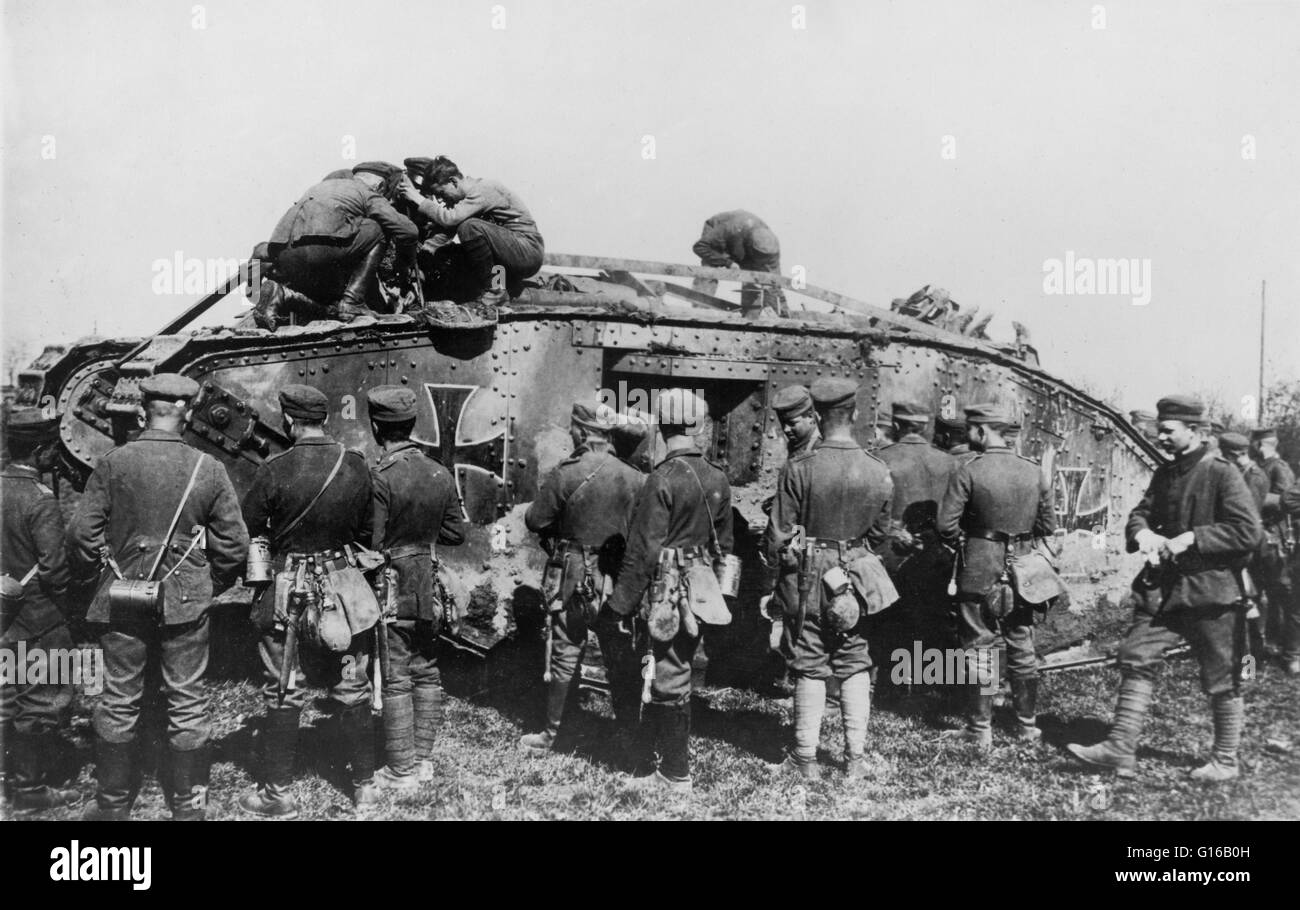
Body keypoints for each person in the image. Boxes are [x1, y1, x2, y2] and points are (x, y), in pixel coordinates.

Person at [67, 374, 249, 820]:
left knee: (118, 698)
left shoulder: (112, 463)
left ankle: (111, 805)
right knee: (188, 699)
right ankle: (187, 805)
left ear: (144, 411)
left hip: (123, 595)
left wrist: (105, 578)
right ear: (186, 414)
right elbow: (234, 547)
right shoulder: (208, 468)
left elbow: (81, 537)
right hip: (185, 601)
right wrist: (206, 587)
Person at [1066, 396, 1261, 781]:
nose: (1161, 437)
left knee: (1223, 674)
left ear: (1196, 431)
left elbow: (1248, 531)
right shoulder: (1167, 472)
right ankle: (1120, 749)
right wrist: (1142, 534)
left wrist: (1194, 537)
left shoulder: (1221, 473)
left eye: (1169, 431)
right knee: (1136, 654)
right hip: (1163, 590)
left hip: (1211, 593)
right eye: (1161, 430)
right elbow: (1141, 512)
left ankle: (1225, 760)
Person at [238, 385, 377, 817]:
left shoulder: (275, 467)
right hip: (342, 587)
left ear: (288, 421)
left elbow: (251, 525)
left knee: (285, 687)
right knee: (353, 686)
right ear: (326, 420)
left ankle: (277, 794)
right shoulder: (354, 464)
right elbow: (367, 529)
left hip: (287, 589)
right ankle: (366, 787)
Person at [761, 378, 893, 779]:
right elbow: (881, 537)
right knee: (855, 660)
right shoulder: (878, 469)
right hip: (855, 570)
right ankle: (855, 762)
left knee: (809, 661)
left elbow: (777, 538)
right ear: (854, 415)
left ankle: (805, 760)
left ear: (817, 416)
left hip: (808, 573)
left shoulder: (800, 469)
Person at [607, 389, 733, 793]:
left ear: (661, 426)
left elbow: (643, 550)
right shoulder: (717, 477)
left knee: (668, 674)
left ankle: (675, 773)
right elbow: (727, 548)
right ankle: (668, 763)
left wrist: (619, 605)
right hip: (703, 590)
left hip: (667, 592)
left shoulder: (660, 478)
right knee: (678, 667)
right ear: (696, 425)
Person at [519, 402, 645, 763]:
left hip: (570, 574)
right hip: (616, 575)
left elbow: (535, 520)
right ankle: (628, 735)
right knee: (621, 655)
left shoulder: (566, 472)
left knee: (564, 650)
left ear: (579, 430)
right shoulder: (635, 477)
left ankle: (555, 734)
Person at [936, 403, 1059, 749]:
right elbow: (1047, 526)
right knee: (1022, 642)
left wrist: (965, 541)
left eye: (972, 428)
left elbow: (945, 526)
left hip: (979, 563)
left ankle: (980, 729)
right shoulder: (1033, 472)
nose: (970, 434)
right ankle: (1026, 727)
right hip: (1023, 567)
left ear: (981, 431)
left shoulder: (969, 470)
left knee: (979, 645)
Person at [364, 386, 466, 790]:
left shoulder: (381, 476)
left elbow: (372, 541)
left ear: (376, 427)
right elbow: (455, 533)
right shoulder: (439, 472)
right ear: (411, 425)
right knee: (426, 668)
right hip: (429, 577)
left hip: (393, 579)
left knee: (396, 674)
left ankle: (400, 769)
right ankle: (422, 760)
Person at [1, 410, 78, 813]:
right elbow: (54, 569)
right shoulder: (40, 500)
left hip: (3, 617)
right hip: (37, 619)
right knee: (41, 700)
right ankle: (30, 790)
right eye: (52, 447)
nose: (55, 454)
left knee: (5, 696)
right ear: (39, 450)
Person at [254, 165, 418, 328]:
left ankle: (280, 293)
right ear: (380, 186)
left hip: (284, 255)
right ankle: (352, 302)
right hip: (320, 253)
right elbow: (409, 231)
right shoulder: (368, 193)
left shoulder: (320, 187)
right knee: (379, 228)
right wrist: (404, 269)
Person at [399, 155, 544, 315]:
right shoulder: (467, 202)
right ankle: (495, 291)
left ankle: (495, 293)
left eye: (440, 193)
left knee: (469, 227)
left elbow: (450, 219)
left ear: (453, 182)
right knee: (448, 253)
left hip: (527, 251)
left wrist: (418, 199)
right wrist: (420, 270)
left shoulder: (484, 189)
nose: (440, 199)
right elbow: (442, 236)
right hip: (506, 258)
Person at [874, 402, 957, 680]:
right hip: (936, 554)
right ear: (924, 427)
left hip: (891, 552)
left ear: (896, 426)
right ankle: (930, 681)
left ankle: (889, 682)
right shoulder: (949, 461)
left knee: (889, 620)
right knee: (932, 616)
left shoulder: (880, 458)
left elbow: (873, 510)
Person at [1251, 428, 1297, 667]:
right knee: (1255, 592)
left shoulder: (1279, 468)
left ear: (1260, 445)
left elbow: (1287, 502)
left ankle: (1287, 651)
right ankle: (1257, 651)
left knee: (1283, 593)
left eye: (1253, 443)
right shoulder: (1259, 466)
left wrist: (1250, 497)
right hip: (1257, 536)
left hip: (1274, 538)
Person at [691, 210, 787, 317]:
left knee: (755, 280)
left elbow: (775, 286)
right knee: (709, 270)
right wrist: (727, 262)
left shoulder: (771, 249)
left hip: (742, 242)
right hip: (724, 234)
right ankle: (700, 312)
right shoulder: (729, 229)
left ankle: (750, 317)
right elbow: (700, 247)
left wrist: (783, 314)